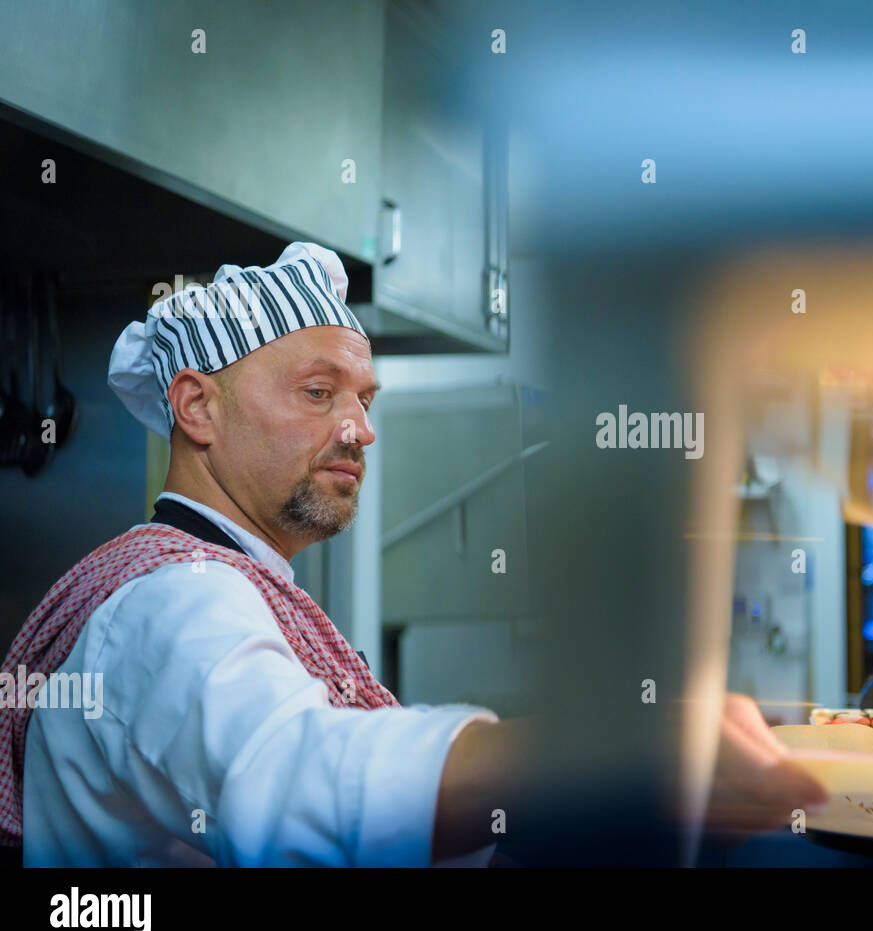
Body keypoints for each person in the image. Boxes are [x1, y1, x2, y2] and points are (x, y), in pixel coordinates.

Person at [0, 242, 825, 867]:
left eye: (363, 400)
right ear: (197, 406)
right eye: (318, 392)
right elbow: (293, 777)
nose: (360, 430)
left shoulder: (218, 580)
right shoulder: (175, 600)